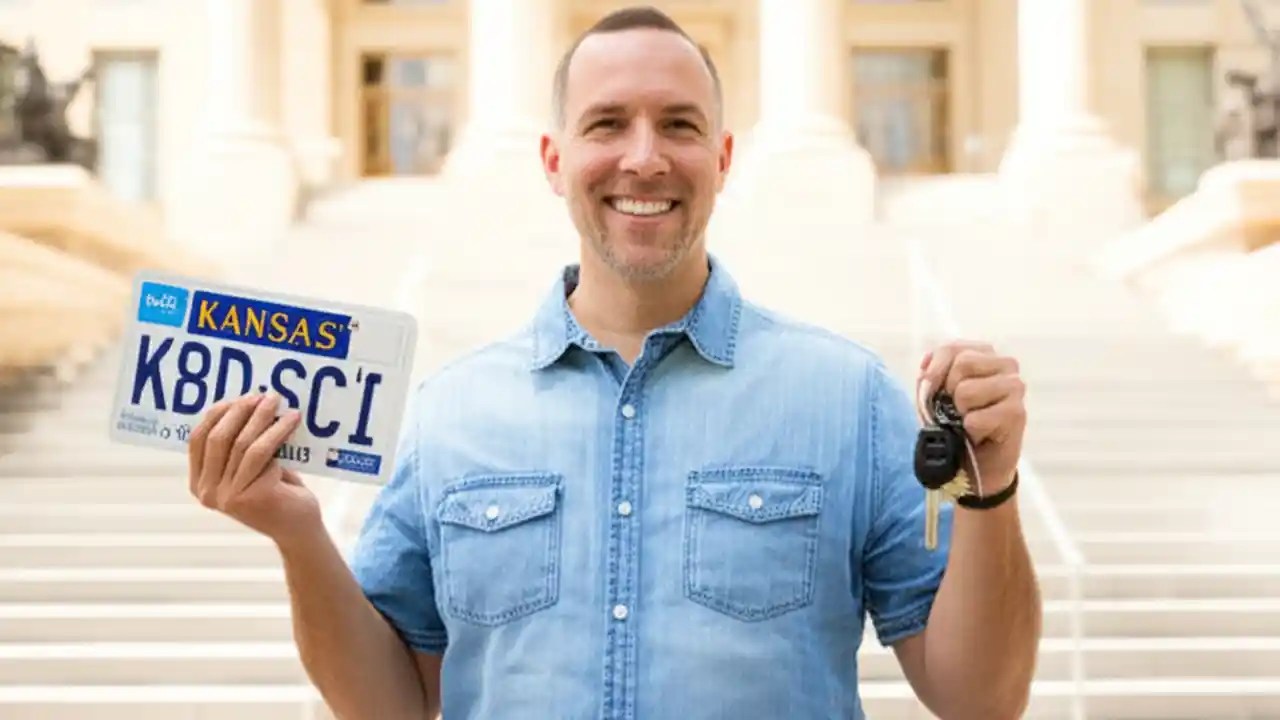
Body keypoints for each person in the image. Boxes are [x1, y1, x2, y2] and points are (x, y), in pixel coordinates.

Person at [185, 6, 1041, 719]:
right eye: (606, 124)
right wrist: (297, 535)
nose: (644, 157)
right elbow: (395, 705)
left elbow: (981, 700)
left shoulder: (848, 397)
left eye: (679, 124)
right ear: (554, 162)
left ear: (723, 159)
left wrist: (990, 489)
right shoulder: (452, 413)